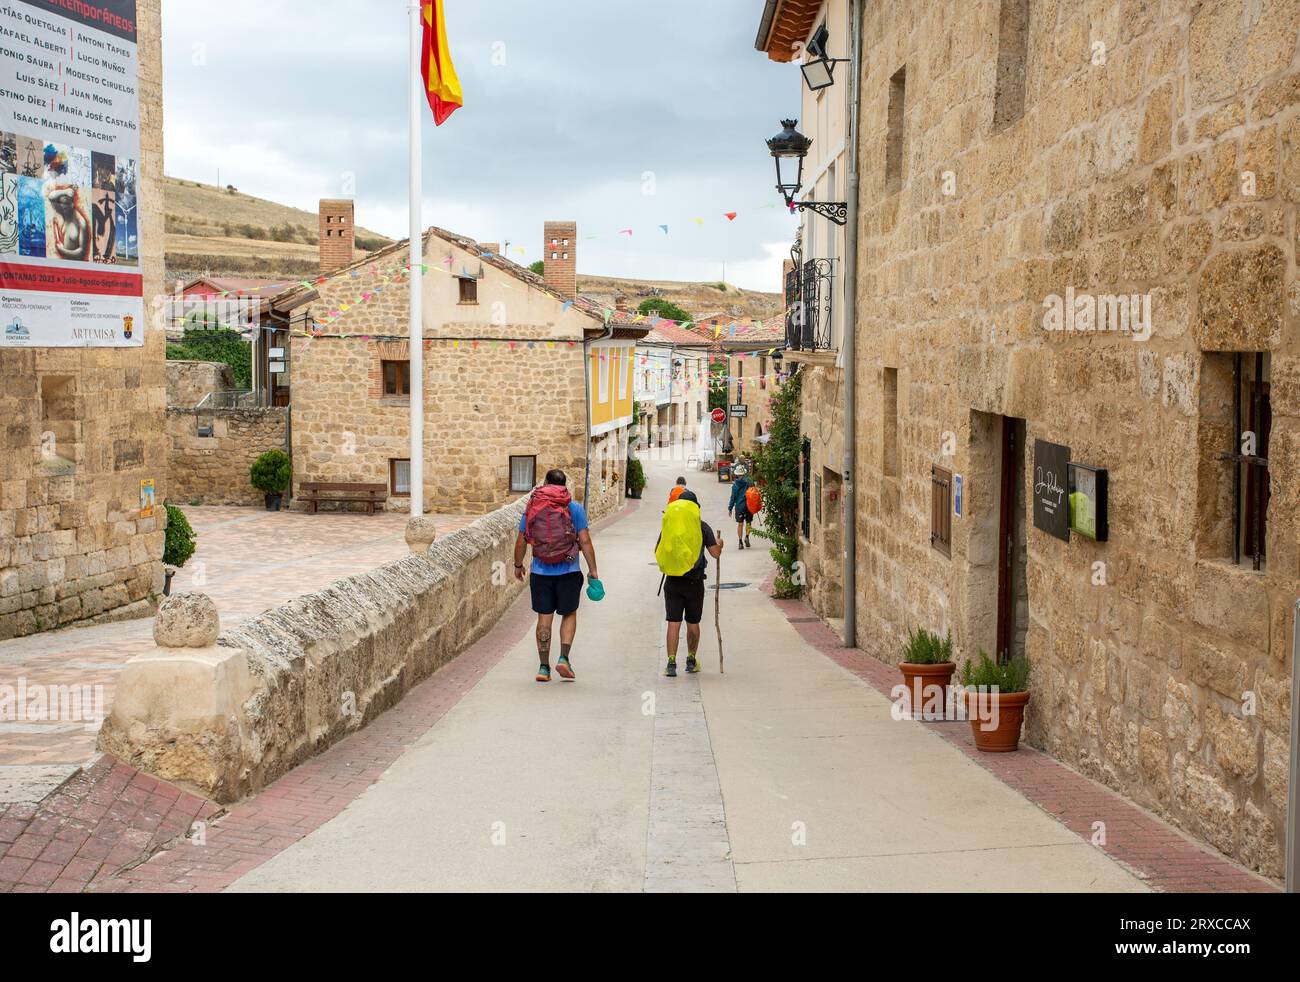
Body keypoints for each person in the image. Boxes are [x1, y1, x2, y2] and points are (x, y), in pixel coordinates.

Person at [514, 469, 599, 683]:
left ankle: (543, 667)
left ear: (545, 483)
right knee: (569, 613)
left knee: (544, 617)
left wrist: (517, 565)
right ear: (565, 485)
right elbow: (585, 541)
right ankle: (563, 658)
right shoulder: (574, 507)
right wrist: (593, 570)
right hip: (569, 570)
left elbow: (521, 539)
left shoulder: (533, 506)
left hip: (540, 572)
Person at [656, 490, 722, 677]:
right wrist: (720, 543)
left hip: (672, 581)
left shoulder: (669, 528)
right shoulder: (702, 527)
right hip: (694, 582)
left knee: (673, 622)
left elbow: (658, 551)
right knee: (693, 622)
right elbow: (715, 553)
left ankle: (671, 663)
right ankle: (691, 660)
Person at [728, 464, 754, 549]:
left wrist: (730, 508)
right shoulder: (749, 482)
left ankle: (740, 542)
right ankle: (747, 537)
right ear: (744, 473)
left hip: (739, 507)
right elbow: (754, 492)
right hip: (749, 506)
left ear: (737, 474)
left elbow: (733, 497)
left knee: (740, 524)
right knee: (748, 522)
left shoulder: (735, 485)